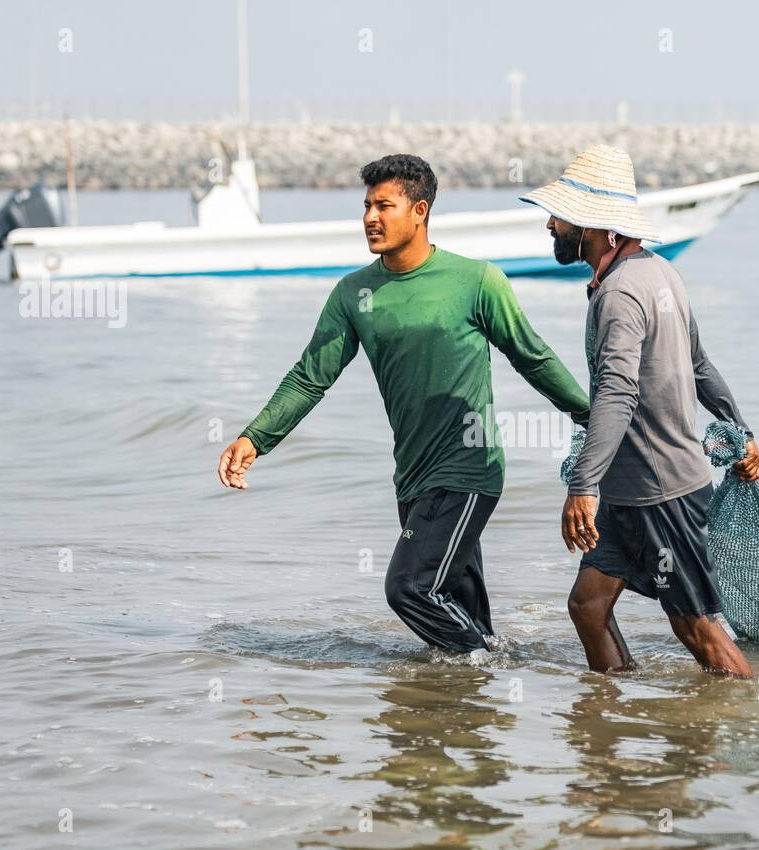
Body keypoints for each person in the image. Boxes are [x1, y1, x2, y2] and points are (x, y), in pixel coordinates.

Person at [218, 154, 591, 653]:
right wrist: (255, 437)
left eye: (384, 206)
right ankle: (470, 712)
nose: (371, 217)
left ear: (420, 210)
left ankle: (494, 671)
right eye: (367, 206)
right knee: (457, 608)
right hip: (411, 476)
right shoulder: (354, 294)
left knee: (409, 588)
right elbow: (310, 377)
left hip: (468, 470)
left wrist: (597, 419)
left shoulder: (476, 281)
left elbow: (534, 358)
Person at [520, 144, 759, 676]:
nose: (551, 226)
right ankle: (610, 724)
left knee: (695, 625)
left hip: (659, 491)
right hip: (629, 493)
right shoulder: (661, 273)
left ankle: (739, 726)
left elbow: (617, 391)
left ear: (599, 228)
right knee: (587, 606)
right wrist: (741, 431)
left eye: (561, 218)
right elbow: (700, 365)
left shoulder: (621, 294)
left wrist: (582, 484)